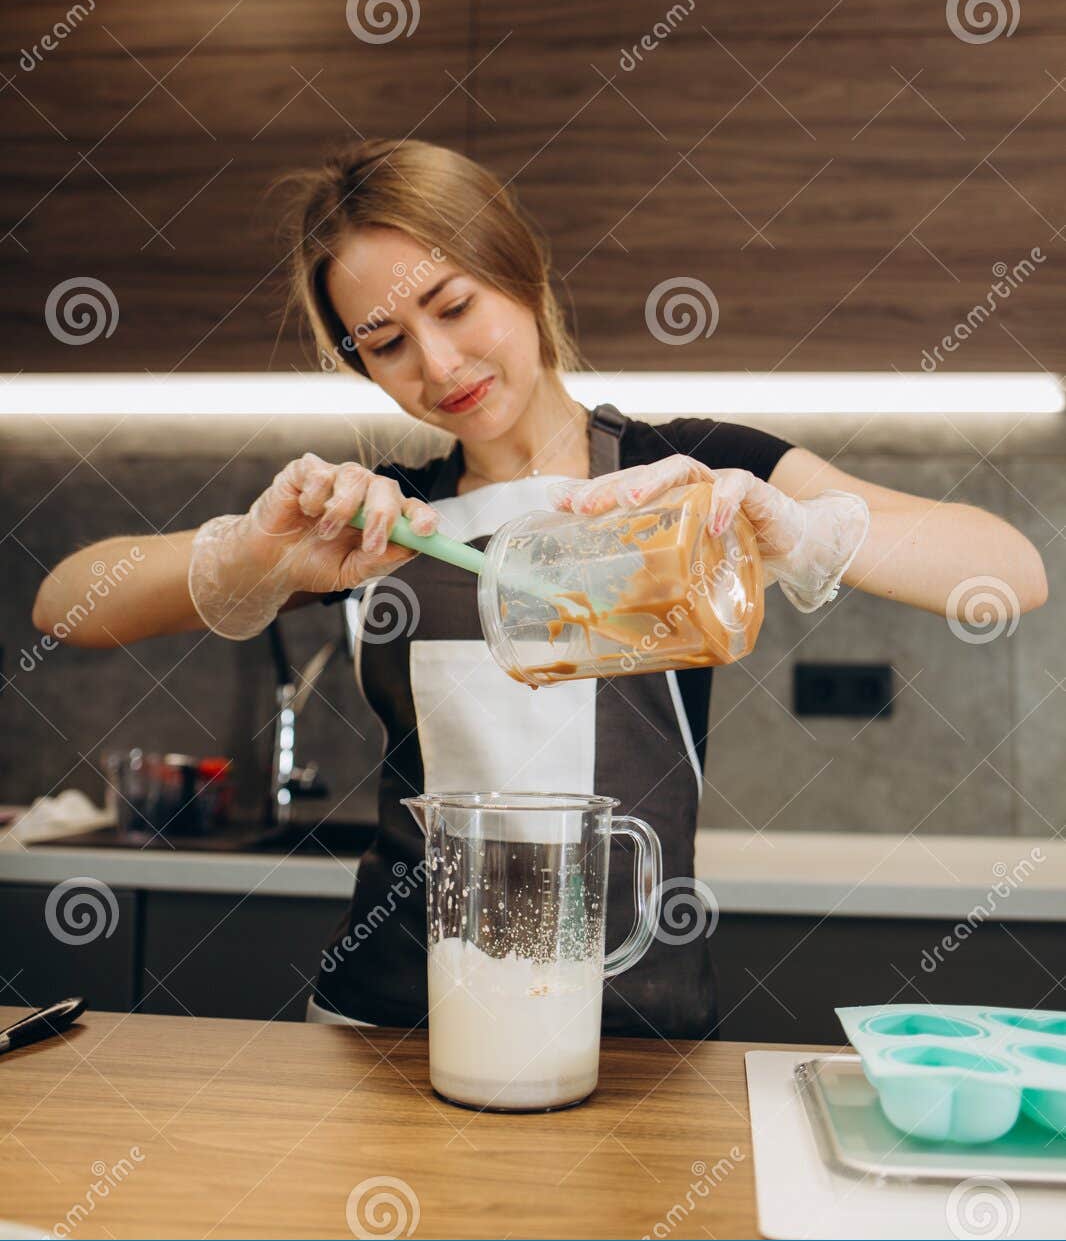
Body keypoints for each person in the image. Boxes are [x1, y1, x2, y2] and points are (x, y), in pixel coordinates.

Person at [34, 137, 1048, 1040]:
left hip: (633, 1028)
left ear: (519, 269)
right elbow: (67, 602)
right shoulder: (378, 518)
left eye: (454, 305)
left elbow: (1007, 567)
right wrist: (254, 553)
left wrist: (798, 525)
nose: (438, 362)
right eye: (386, 343)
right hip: (391, 1027)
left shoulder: (687, 470)